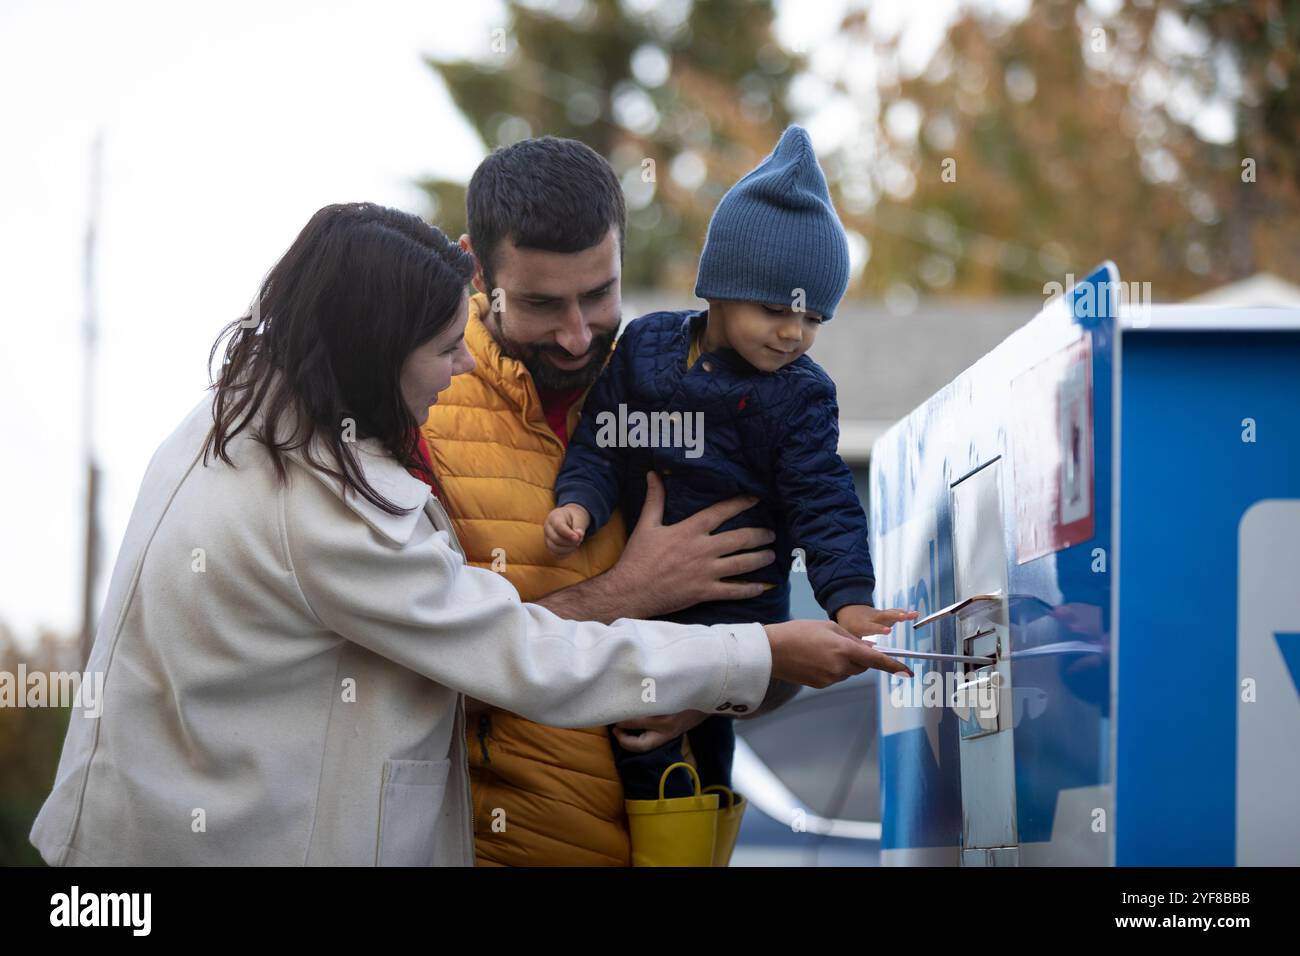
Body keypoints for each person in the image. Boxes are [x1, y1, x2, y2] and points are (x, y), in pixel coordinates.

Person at [28, 202, 910, 867]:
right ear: (376, 350)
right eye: (447, 346)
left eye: (599, 293)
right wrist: (753, 651)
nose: (462, 366)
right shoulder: (315, 506)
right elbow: (516, 653)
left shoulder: (246, 418)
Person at [421, 137, 880, 866]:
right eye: (543, 303)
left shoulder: (686, 392)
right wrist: (632, 590)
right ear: (478, 268)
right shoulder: (424, 424)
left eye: (599, 294)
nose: (578, 336)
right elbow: (408, 692)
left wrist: (711, 685)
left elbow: (769, 661)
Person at [545, 126, 918, 828]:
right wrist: (579, 503)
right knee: (626, 745)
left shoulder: (800, 395)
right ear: (718, 289)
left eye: (813, 317)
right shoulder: (646, 346)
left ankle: (690, 837)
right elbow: (601, 436)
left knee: (693, 761)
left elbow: (825, 501)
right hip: (637, 601)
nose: (793, 334)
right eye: (775, 310)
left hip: (737, 609)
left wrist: (847, 599)